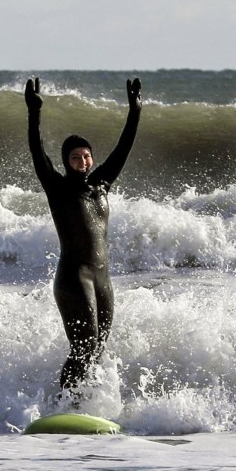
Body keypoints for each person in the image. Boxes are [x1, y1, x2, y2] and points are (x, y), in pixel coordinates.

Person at [25, 76, 142, 393]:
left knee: (98, 347)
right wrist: (34, 113)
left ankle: (83, 403)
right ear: (66, 161)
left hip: (102, 277)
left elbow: (123, 148)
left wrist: (135, 111)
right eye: (75, 157)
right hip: (74, 277)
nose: (82, 161)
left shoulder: (102, 183)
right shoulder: (57, 187)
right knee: (84, 347)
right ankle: (64, 402)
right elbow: (38, 153)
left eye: (86, 156)